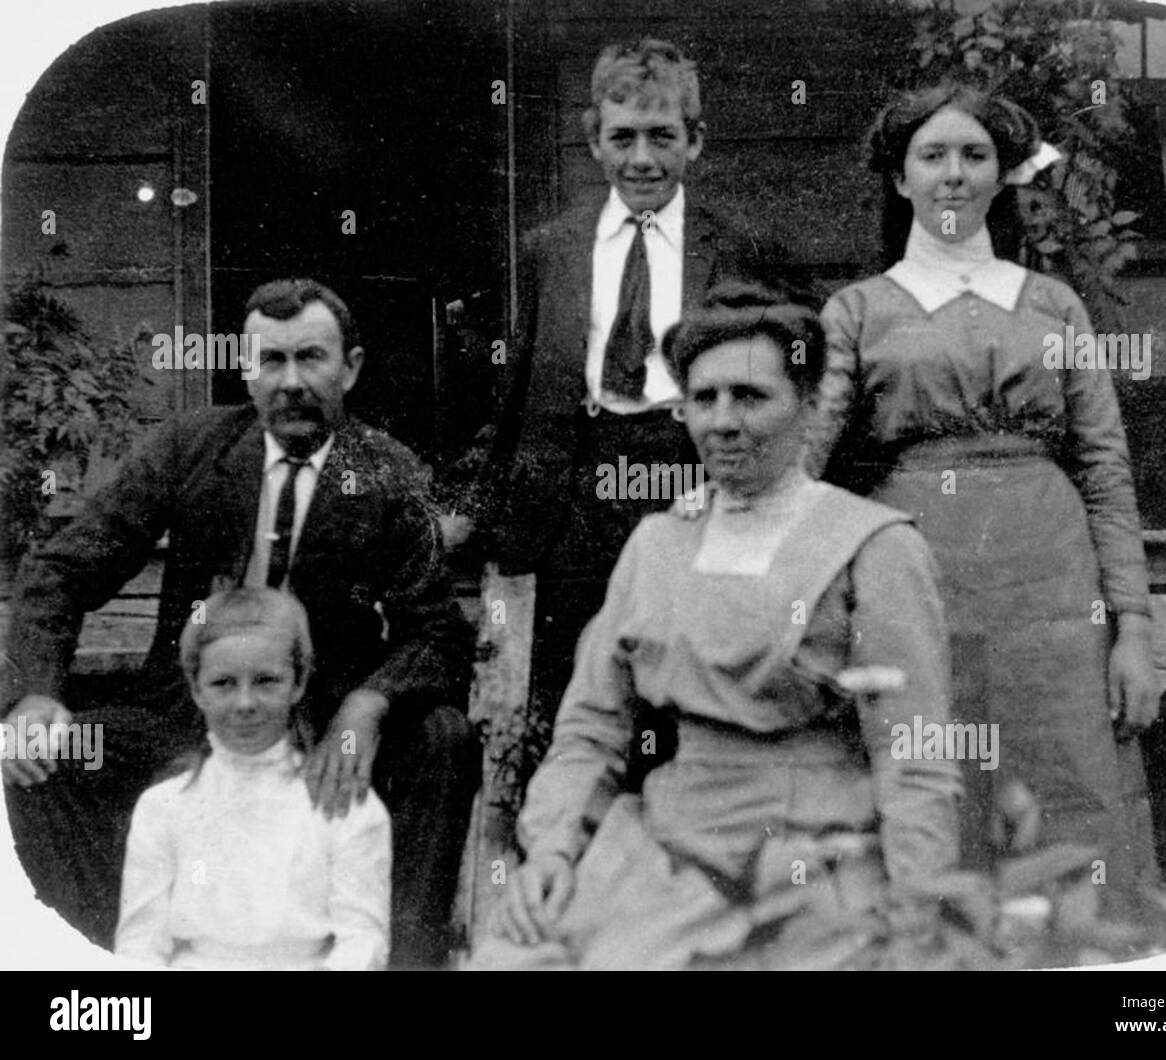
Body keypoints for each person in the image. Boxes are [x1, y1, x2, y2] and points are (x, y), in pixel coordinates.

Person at [470, 286, 962, 970]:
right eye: (704, 399)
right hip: (664, 849)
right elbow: (591, 728)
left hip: (815, 855)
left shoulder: (872, 546)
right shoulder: (656, 543)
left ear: (810, 405)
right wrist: (552, 850)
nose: (723, 421)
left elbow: (915, 757)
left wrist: (918, 922)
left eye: (752, 397)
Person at [2, 278, 477, 967]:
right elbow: (61, 569)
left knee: (444, 738)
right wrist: (37, 694)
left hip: (320, 726)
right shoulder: (190, 448)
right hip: (186, 718)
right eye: (271, 361)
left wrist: (365, 706)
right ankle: (129, 959)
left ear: (351, 367)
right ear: (246, 370)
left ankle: (403, 964)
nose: (291, 382)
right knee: (37, 760)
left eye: (311, 358)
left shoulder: (387, 471)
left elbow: (435, 630)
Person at [809, 83, 1159, 896]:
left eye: (975, 156)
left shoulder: (1053, 304)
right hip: (919, 575)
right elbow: (806, 463)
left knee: (1069, 790)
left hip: (1057, 590)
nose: (954, 176)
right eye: (932, 157)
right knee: (934, 783)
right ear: (901, 180)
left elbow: (1106, 468)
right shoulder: (857, 311)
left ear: (1002, 175)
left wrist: (1134, 627)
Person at [475, 39, 776, 795]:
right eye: (622, 138)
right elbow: (521, 385)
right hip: (580, 479)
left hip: (687, 469)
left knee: (684, 679)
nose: (642, 159)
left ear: (695, 140)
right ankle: (578, 862)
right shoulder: (553, 248)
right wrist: (487, 508)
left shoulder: (737, 247)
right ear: (593, 140)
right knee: (581, 681)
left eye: (662, 137)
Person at [115, 587, 390, 970]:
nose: (245, 703)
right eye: (223, 683)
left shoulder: (342, 805)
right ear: (196, 690)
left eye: (265, 681)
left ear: (298, 683)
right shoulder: (163, 807)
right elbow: (139, 944)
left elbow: (363, 942)